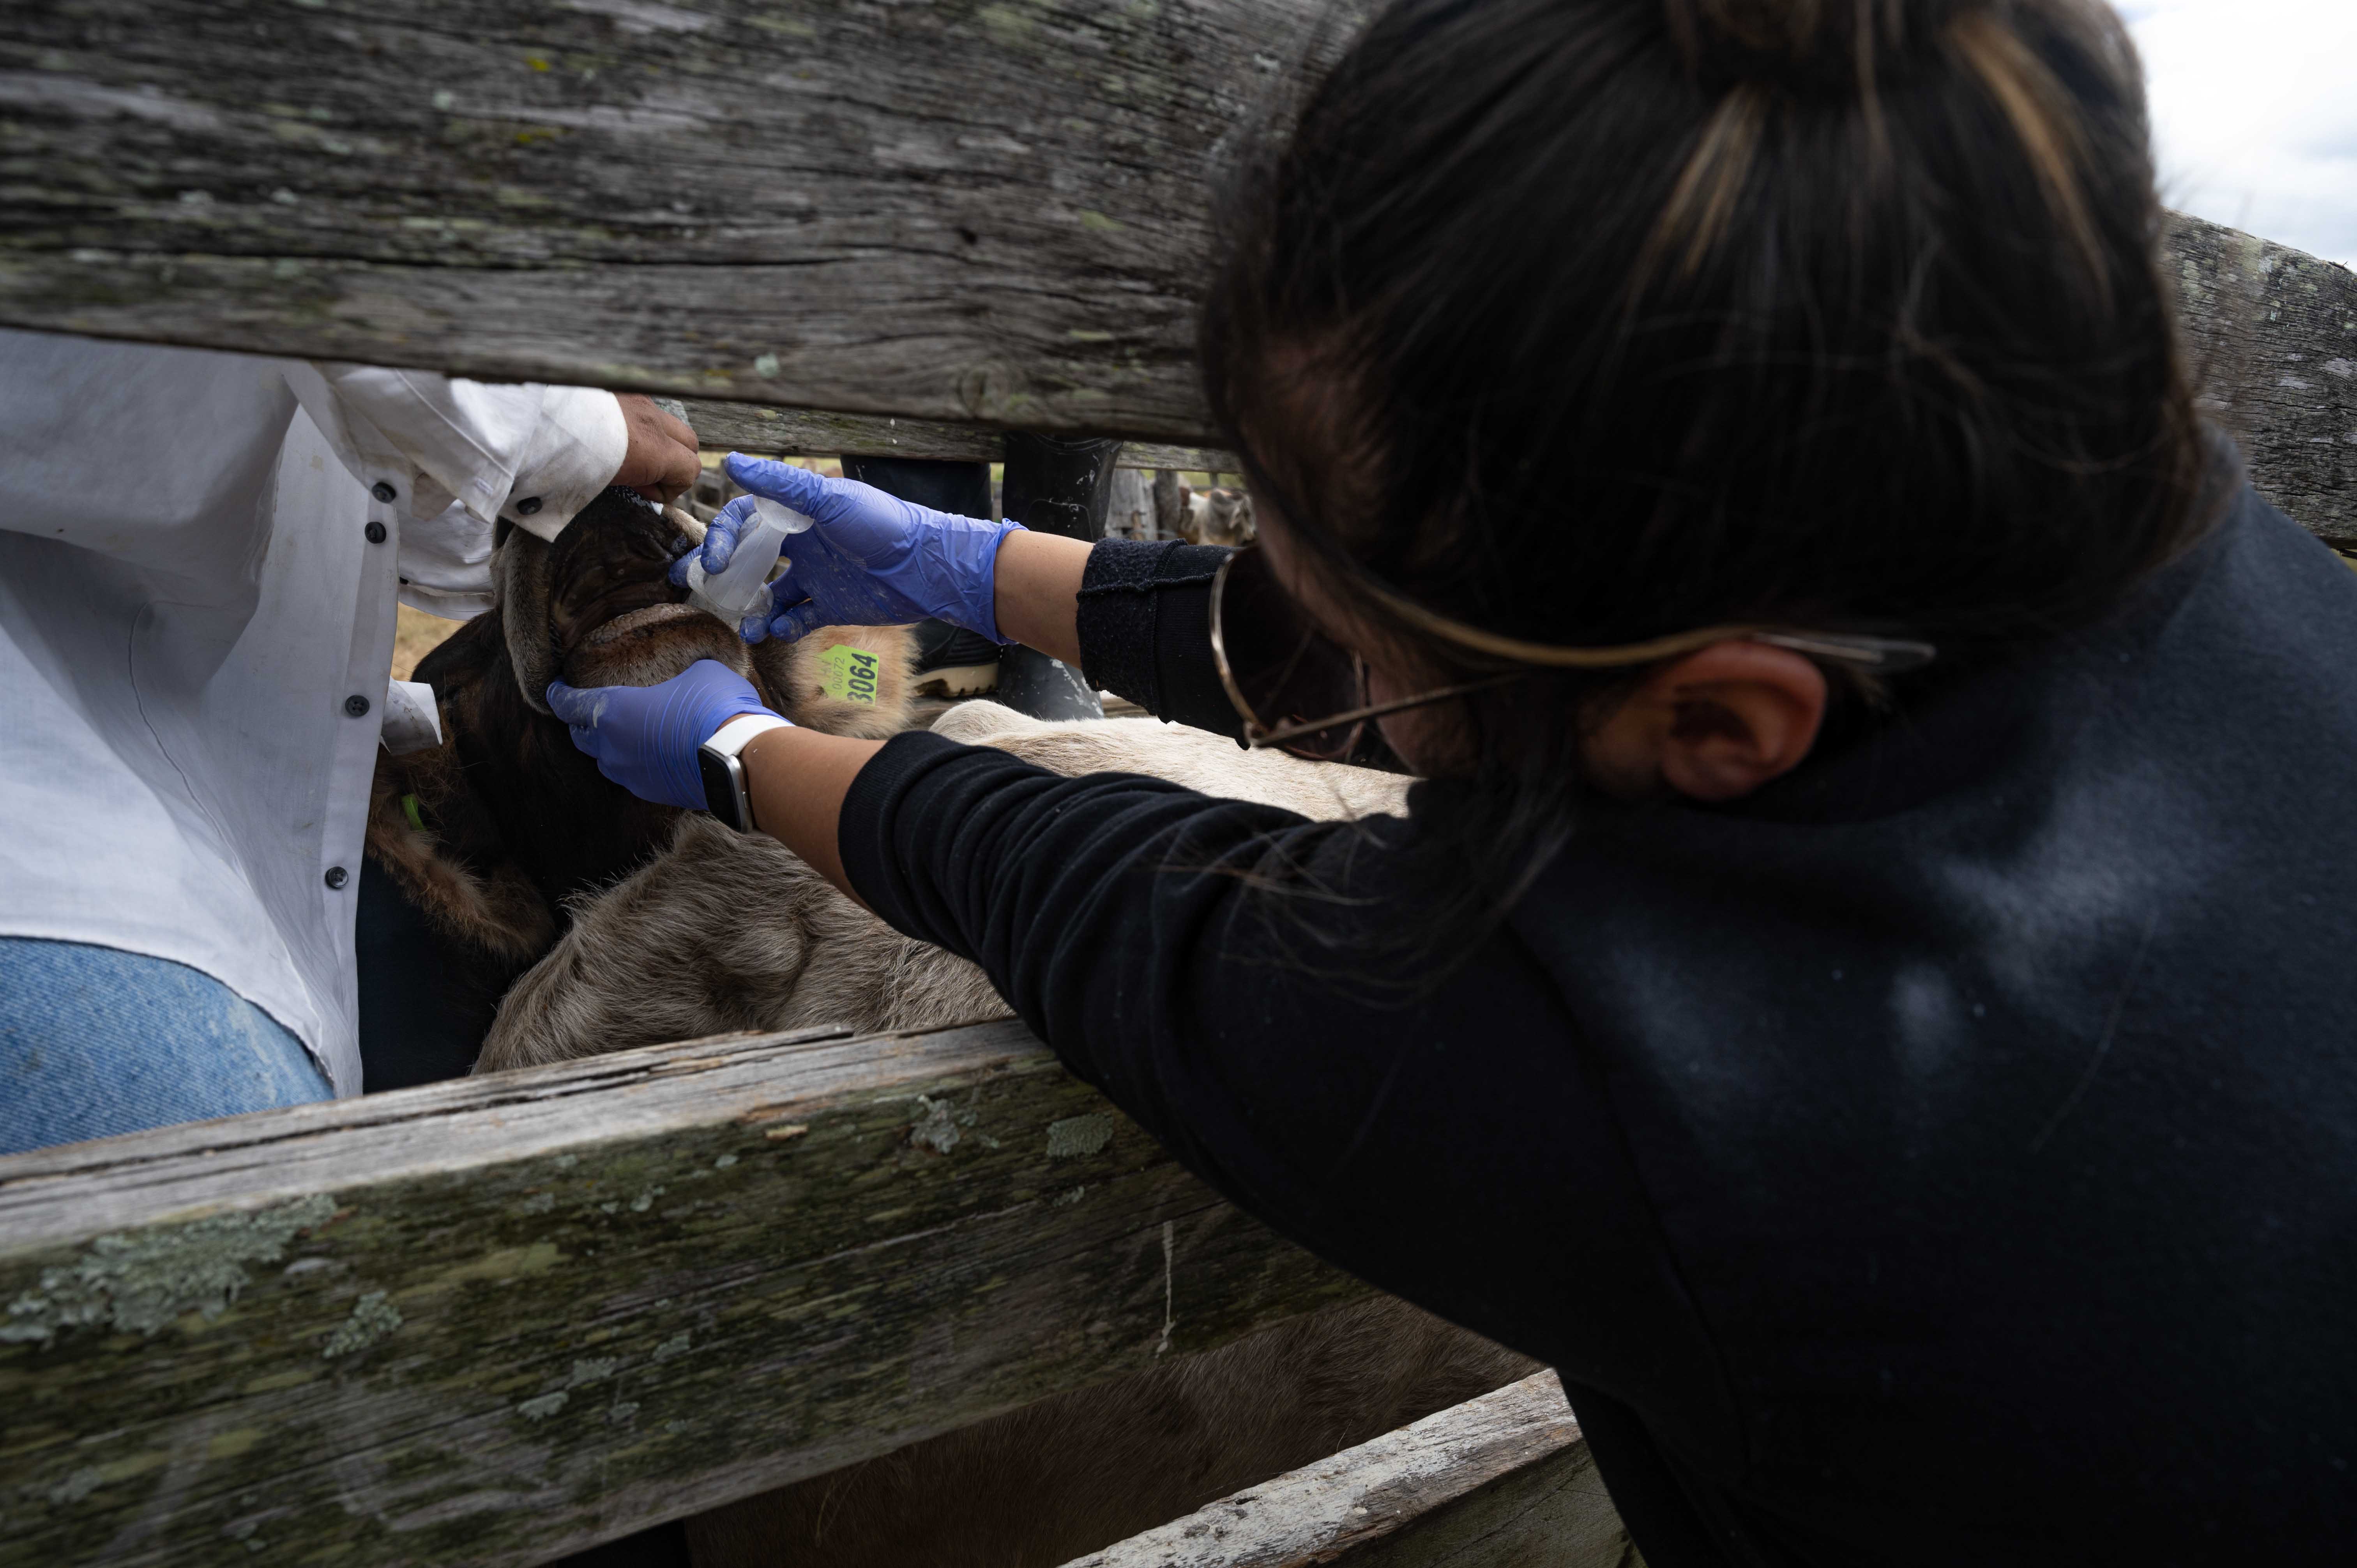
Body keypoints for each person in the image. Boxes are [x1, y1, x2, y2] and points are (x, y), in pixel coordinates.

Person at [545, 0, 2357, 1559]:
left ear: (1720, 728)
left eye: (1362, 625)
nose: (1328, 658)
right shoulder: (2171, 537)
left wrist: (734, 747)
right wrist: (972, 568)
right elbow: (1517, 658)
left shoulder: (1710, 1094)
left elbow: (1124, 909)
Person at [0, 333, 701, 1151]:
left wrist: (558, 492)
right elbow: (342, 300)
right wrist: (577, 436)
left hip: (166, 804)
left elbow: (366, 467)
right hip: (57, 857)